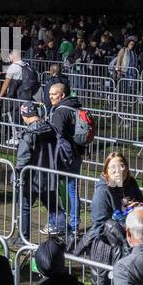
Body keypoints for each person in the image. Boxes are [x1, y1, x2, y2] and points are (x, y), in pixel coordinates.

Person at [15, 103, 61, 242]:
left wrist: (17, 175)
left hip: (32, 179)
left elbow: (23, 159)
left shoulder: (29, 134)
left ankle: (23, 238)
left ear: (24, 116)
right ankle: (66, 233)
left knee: (24, 207)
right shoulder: (51, 128)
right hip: (50, 176)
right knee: (54, 207)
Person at [46, 80, 87, 235]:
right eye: (49, 94)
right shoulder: (76, 106)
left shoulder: (60, 111)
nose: (51, 97)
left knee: (53, 189)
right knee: (73, 190)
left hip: (62, 157)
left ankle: (57, 223)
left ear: (62, 95)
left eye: (54, 94)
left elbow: (56, 135)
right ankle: (75, 225)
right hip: (76, 155)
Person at [91, 151, 143, 229]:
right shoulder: (102, 191)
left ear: (127, 168)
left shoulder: (131, 182)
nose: (119, 170)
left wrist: (139, 207)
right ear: (106, 171)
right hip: (113, 238)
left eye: (122, 166)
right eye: (113, 167)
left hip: (134, 235)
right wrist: (127, 213)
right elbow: (99, 226)